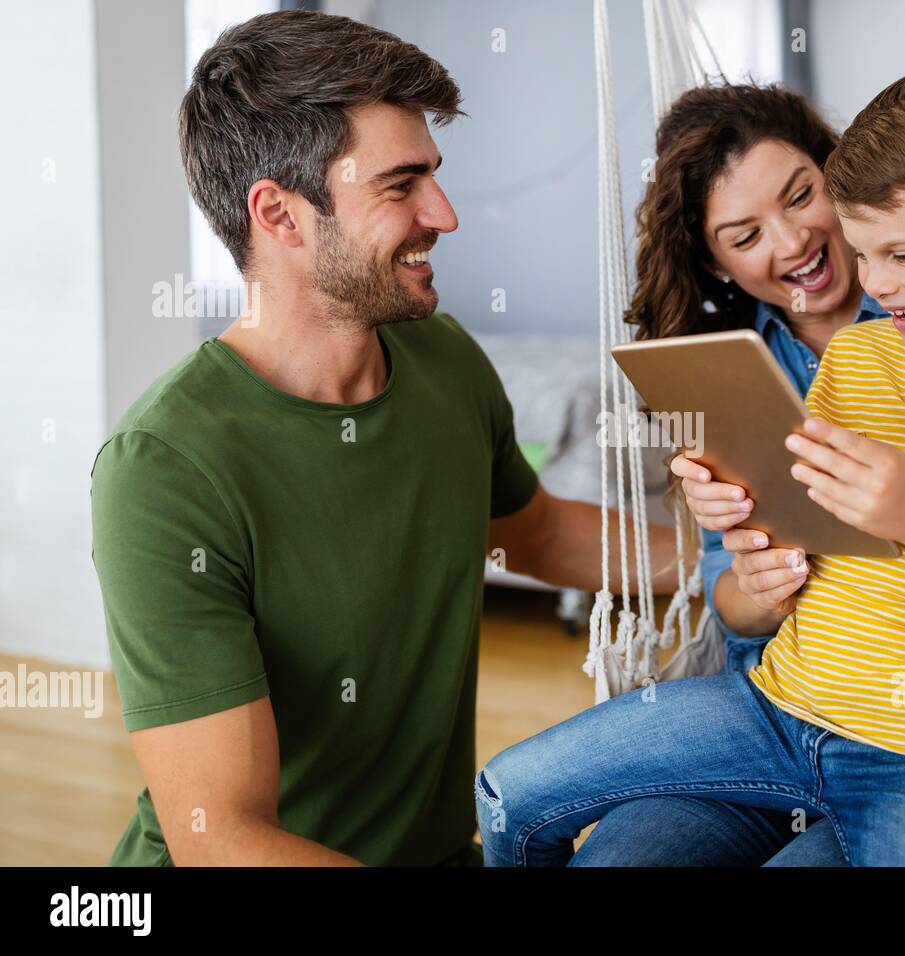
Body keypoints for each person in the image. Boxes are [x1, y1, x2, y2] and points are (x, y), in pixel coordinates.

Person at [477, 56, 905, 867]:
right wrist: (747, 557)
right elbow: (737, 604)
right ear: (717, 264)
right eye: (745, 235)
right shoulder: (836, 361)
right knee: (511, 794)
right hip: (774, 703)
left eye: (804, 197)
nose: (863, 274)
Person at [90, 9, 682, 867]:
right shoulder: (164, 469)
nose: (443, 213)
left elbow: (536, 533)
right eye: (401, 185)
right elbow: (222, 839)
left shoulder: (442, 358)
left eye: (433, 176)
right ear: (281, 215)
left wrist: (740, 561)